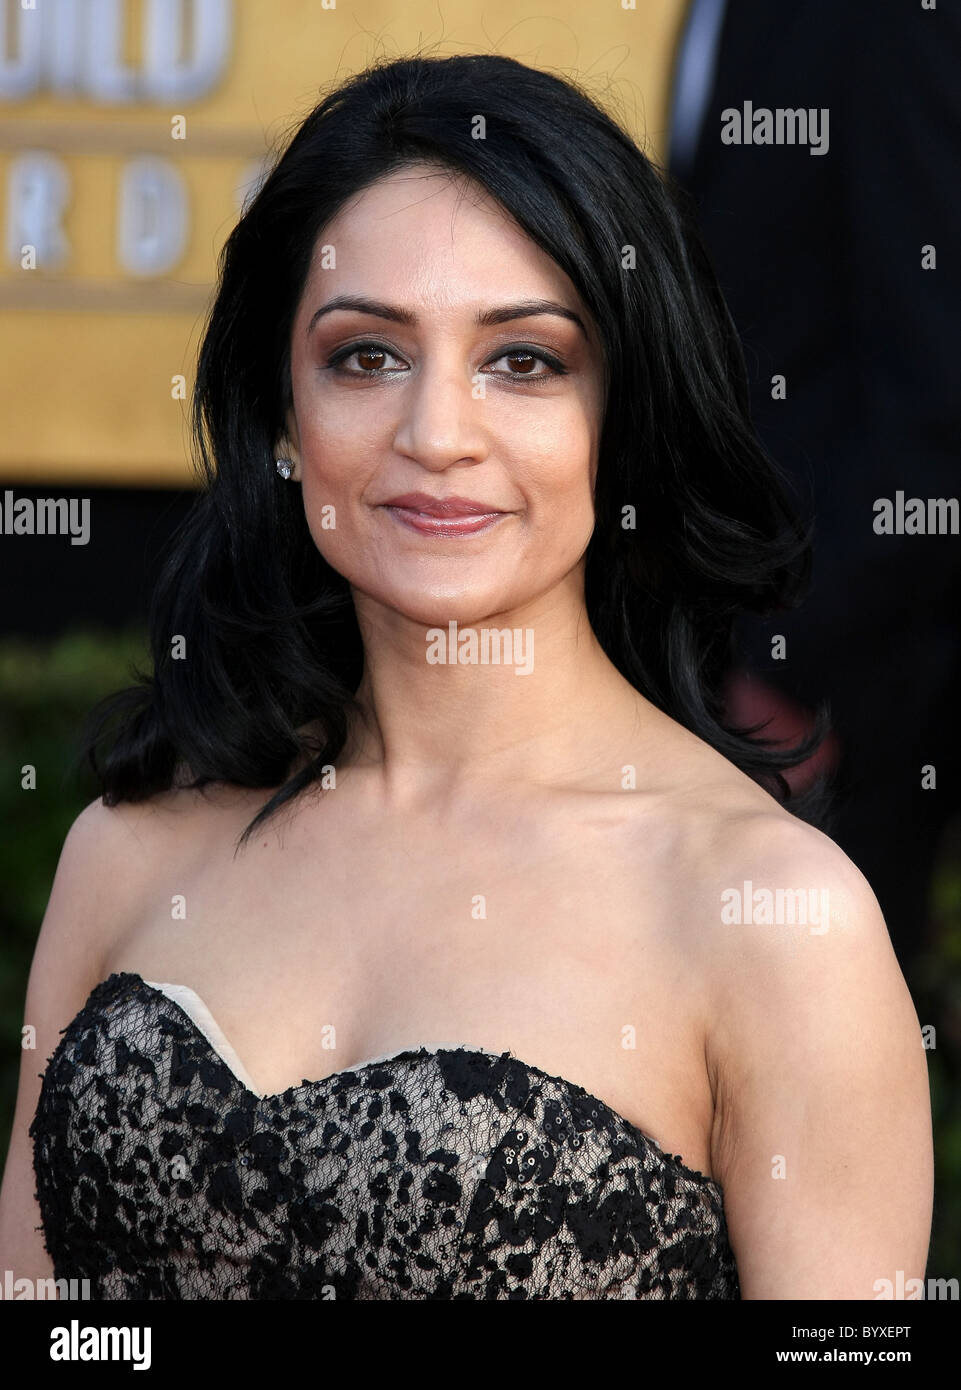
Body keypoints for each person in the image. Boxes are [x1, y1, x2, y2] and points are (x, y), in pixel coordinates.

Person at [0, 53, 931, 1300]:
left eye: (524, 361)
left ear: (625, 413)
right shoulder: (129, 851)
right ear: (283, 411)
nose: (438, 433)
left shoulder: (770, 916)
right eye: (366, 355)